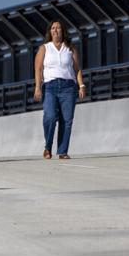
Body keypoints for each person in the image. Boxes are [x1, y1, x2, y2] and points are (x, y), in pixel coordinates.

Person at [34, 20, 85, 159]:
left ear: (63, 31)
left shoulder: (70, 48)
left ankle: (62, 151)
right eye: (53, 28)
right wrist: (38, 87)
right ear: (50, 32)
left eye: (58, 28)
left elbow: (77, 69)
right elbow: (38, 69)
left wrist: (81, 85)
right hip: (50, 87)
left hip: (68, 87)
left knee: (66, 120)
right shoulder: (44, 48)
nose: (55, 30)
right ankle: (48, 146)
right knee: (50, 117)